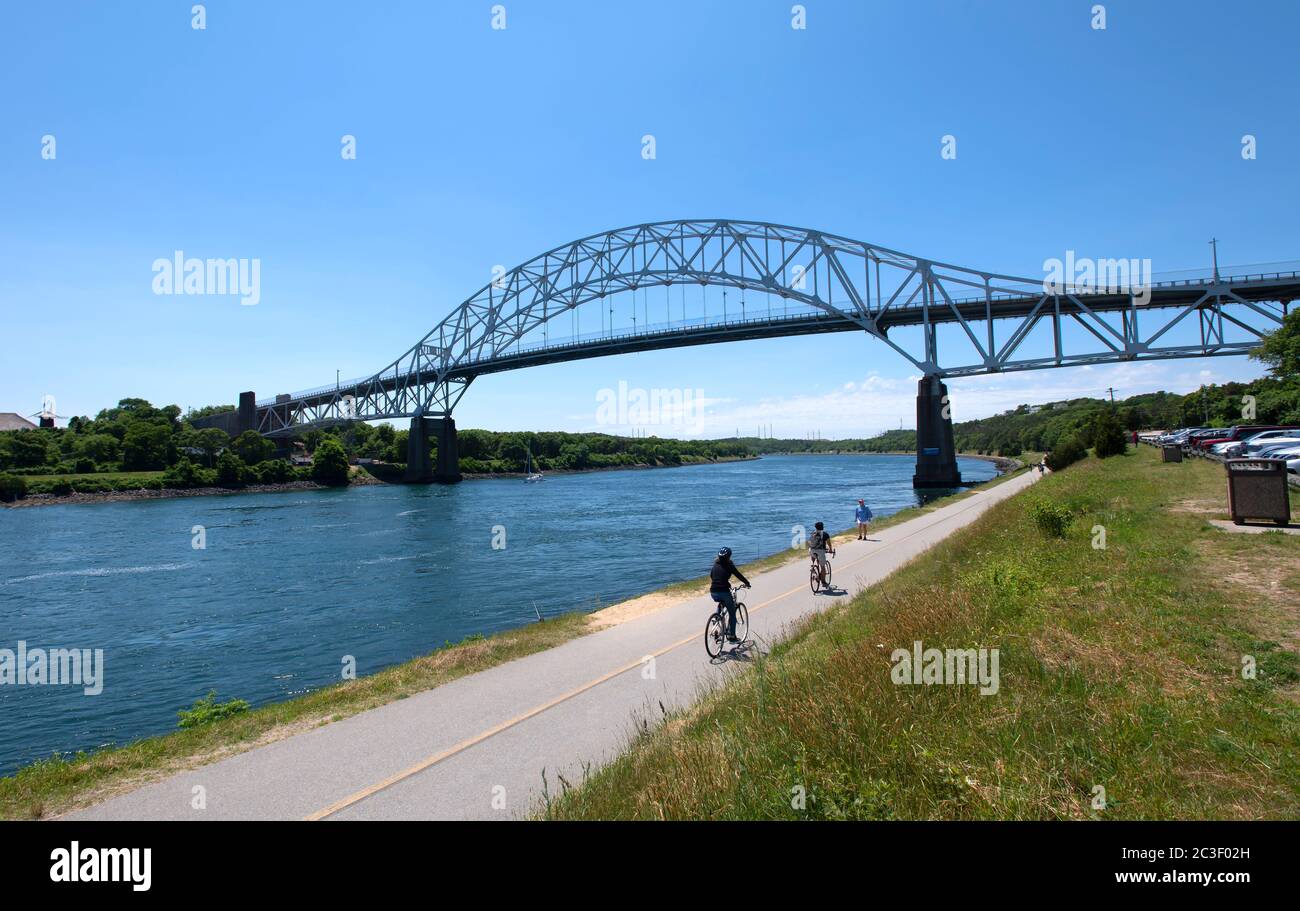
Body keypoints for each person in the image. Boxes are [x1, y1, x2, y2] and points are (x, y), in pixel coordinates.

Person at [710, 547, 751, 643]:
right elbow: (738, 575)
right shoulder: (729, 565)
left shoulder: (715, 564)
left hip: (713, 592)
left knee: (721, 602)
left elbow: (712, 576)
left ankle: (717, 618)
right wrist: (747, 583)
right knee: (732, 614)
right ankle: (732, 637)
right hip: (724, 591)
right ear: (729, 557)